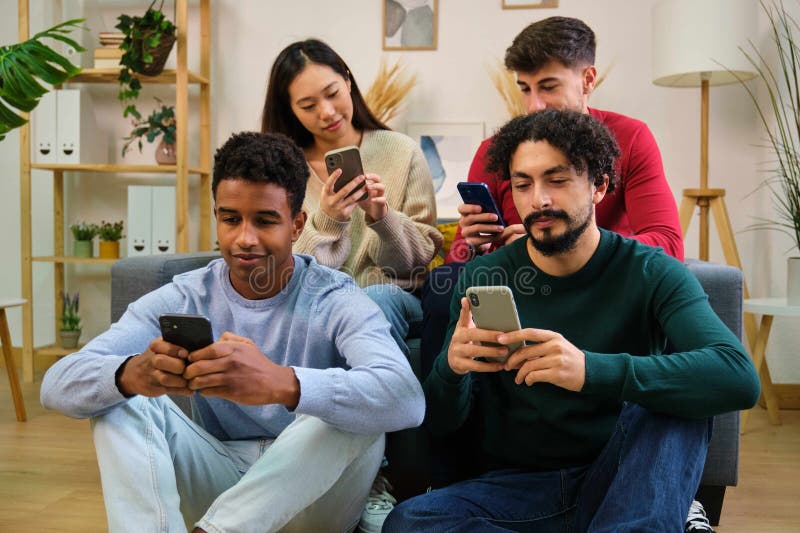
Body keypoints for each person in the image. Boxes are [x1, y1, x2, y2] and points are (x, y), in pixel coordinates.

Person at [384, 109, 759, 532]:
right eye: (523, 185)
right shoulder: (483, 276)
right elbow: (443, 422)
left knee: (682, 394)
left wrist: (589, 369)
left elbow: (739, 377)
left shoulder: (651, 271)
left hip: (623, 478)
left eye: (556, 180)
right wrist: (452, 371)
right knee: (409, 522)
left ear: (599, 185)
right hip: (522, 491)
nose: (538, 199)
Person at [40, 131, 425, 533]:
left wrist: (283, 383)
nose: (245, 238)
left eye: (264, 220)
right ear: (216, 218)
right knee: (122, 399)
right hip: (220, 484)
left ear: (297, 226)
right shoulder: (187, 294)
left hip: (315, 501)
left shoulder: (334, 296)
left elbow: (407, 399)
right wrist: (131, 374)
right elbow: (56, 384)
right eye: (230, 219)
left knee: (346, 409)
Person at [421, 16, 683, 379]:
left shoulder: (631, 138)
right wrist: (476, 244)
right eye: (525, 89)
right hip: (522, 286)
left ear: (588, 80)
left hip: (606, 286)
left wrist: (574, 248)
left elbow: (668, 244)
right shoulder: (494, 152)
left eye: (547, 87)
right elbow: (463, 262)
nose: (535, 106)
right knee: (443, 283)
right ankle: (438, 416)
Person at [261, 38, 442, 357]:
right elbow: (282, 272)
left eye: (332, 93)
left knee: (373, 301)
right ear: (290, 109)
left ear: (347, 79)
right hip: (315, 301)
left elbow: (416, 263)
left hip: (390, 297)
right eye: (308, 105)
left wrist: (382, 218)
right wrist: (329, 221)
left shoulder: (402, 152)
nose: (327, 112)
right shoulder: (282, 170)